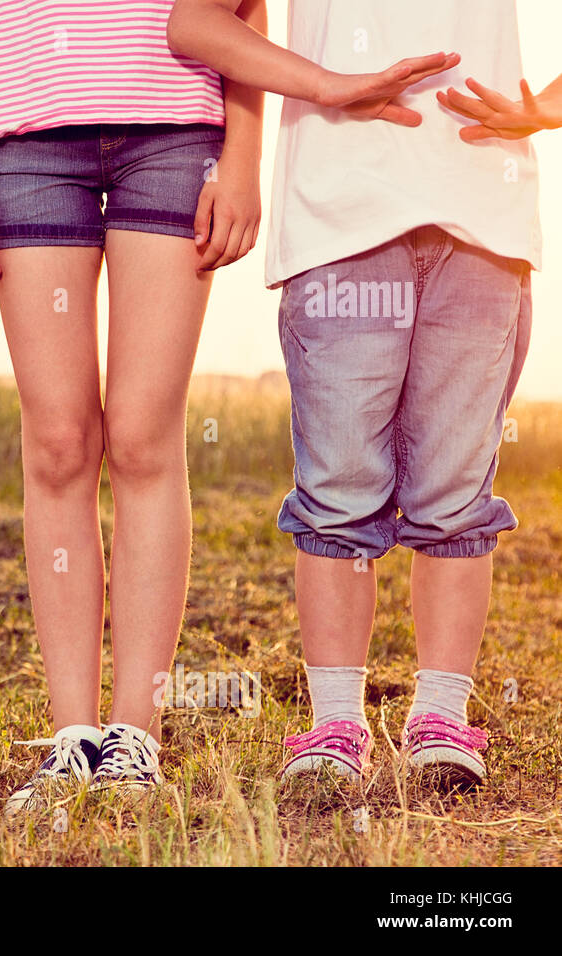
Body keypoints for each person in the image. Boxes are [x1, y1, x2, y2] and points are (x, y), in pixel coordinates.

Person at [169, 0, 538, 788]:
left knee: (455, 493)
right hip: (339, 222)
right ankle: (335, 723)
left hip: (483, 222)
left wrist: (547, 107)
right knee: (338, 488)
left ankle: (442, 714)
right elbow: (196, 21)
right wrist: (327, 85)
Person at [0, 0, 264, 817]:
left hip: (175, 127)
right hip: (25, 137)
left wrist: (246, 153)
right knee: (57, 441)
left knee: (144, 435)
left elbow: (248, 7)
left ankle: (135, 733)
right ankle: (73, 734)